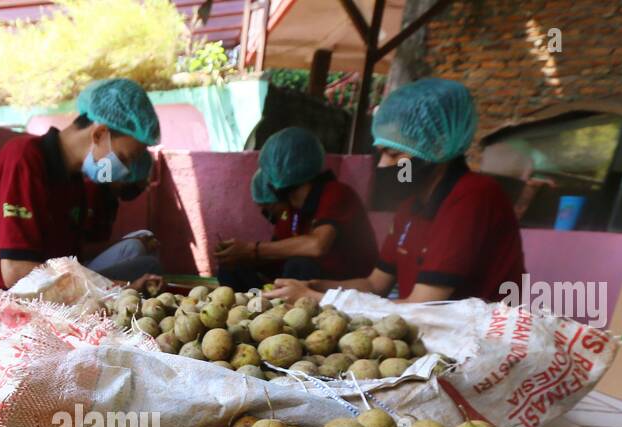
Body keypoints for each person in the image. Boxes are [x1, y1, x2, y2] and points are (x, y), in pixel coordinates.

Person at [268, 78, 524, 305]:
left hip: (480, 344)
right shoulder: (411, 207)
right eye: (381, 154)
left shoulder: (473, 197)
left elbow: (422, 305)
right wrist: (315, 285)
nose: (383, 165)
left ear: (437, 149)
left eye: (394, 154)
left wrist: (317, 299)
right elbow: (374, 285)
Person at [0, 77, 162, 289]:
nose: (122, 172)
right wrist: (115, 290)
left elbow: (72, 261)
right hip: (6, 306)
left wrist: (118, 289)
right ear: (98, 134)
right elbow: (16, 271)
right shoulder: (23, 158)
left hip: (52, 302)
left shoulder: (75, 181)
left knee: (144, 274)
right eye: (123, 158)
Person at [214, 126, 377, 289]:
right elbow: (278, 255)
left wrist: (251, 249)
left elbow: (318, 246)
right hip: (306, 280)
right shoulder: (291, 209)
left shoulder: (336, 193)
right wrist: (238, 254)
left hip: (344, 285)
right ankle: (248, 310)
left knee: (299, 265)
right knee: (234, 267)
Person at [83, 150, 163, 281]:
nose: (144, 185)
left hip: (93, 261)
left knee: (146, 236)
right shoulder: (92, 191)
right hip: (77, 268)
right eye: (141, 180)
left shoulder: (111, 198)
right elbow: (80, 250)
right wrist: (124, 243)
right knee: (135, 247)